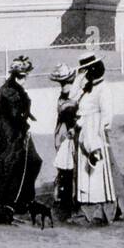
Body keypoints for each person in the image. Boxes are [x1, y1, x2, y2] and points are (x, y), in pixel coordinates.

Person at [0, 55, 43, 223]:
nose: (26, 79)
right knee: (6, 167)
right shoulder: (10, 91)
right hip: (7, 133)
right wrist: (25, 124)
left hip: (12, 130)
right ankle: (2, 206)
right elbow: (15, 115)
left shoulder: (13, 88)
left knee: (30, 162)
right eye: (24, 76)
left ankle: (19, 201)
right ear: (21, 76)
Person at [75, 56, 124, 225]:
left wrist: (98, 137)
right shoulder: (88, 88)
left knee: (103, 172)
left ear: (92, 70)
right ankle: (92, 210)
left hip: (96, 135)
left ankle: (110, 210)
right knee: (89, 174)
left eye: (85, 70)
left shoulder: (103, 89)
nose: (83, 74)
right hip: (85, 133)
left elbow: (106, 116)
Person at [50, 63, 79, 220]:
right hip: (70, 134)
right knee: (71, 168)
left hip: (62, 133)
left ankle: (61, 198)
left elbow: (60, 119)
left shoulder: (61, 97)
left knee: (63, 169)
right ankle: (70, 200)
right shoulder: (72, 96)